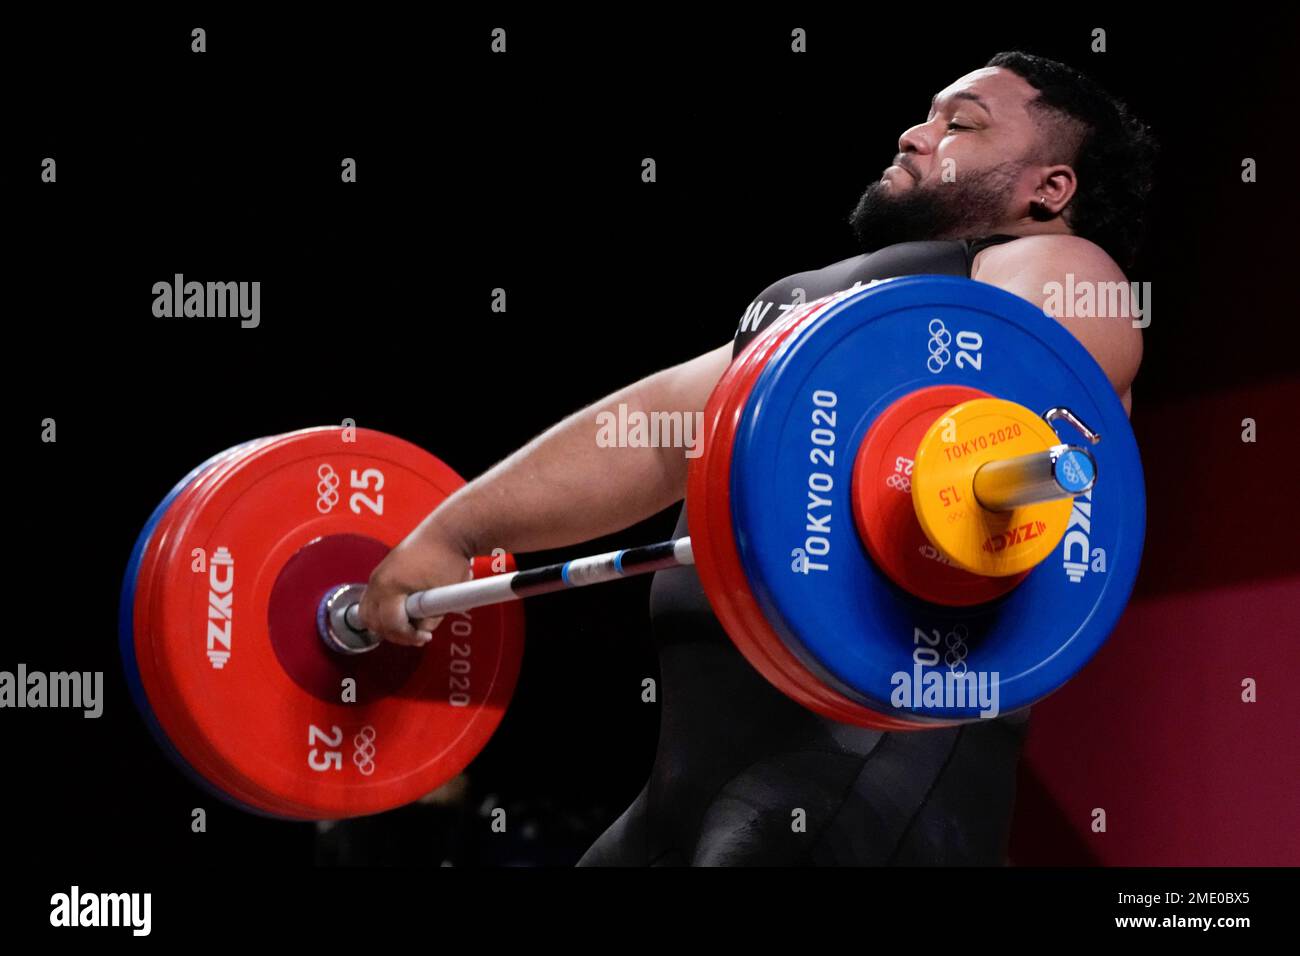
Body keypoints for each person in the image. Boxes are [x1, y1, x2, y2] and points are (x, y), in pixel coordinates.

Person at [357, 51, 1158, 865]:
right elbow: (655, 426)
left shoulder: (1059, 267)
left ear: (1049, 189)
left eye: (962, 123)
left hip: (864, 777)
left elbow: (1011, 384)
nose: (918, 135)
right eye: (927, 115)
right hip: (683, 795)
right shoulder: (827, 315)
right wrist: (451, 535)